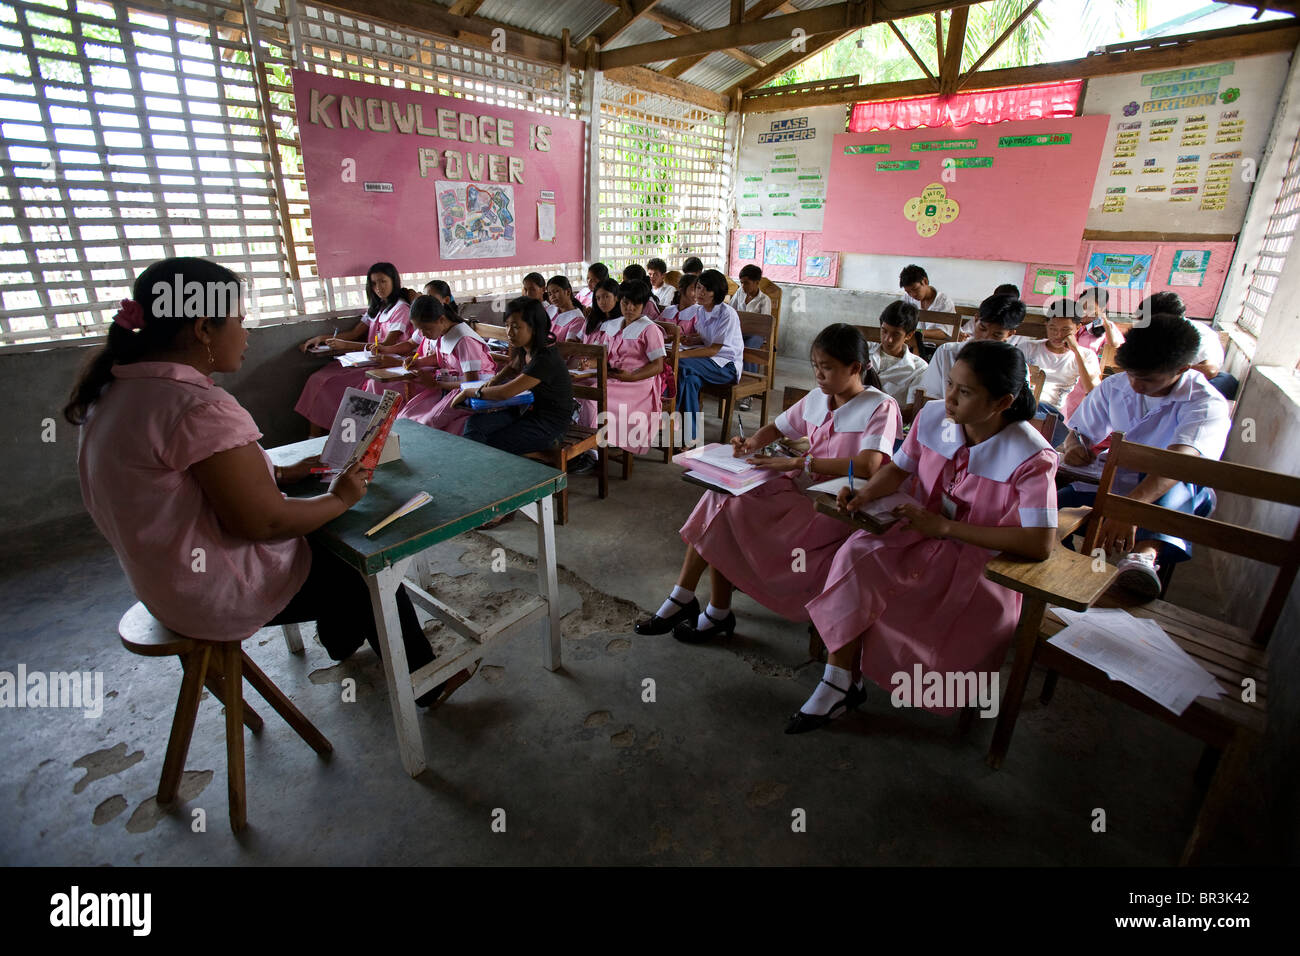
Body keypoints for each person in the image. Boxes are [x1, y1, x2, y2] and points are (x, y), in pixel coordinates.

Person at [70, 258, 469, 707]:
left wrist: (279, 472)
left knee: (327, 539)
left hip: (160, 582)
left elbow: (191, 478)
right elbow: (266, 523)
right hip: (209, 591)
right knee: (367, 565)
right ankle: (427, 681)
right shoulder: (197, 406)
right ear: (203, 328)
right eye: (240, 321)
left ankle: (342, 643)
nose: (246, 334)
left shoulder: (115, 389)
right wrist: (340, 496)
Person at [794, 340, 1057, 734]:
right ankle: (838, 679)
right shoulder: (933, 417)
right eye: (950, 384)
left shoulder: (1032, 457)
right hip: (919, 532)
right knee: (854, 556)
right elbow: (899, 470)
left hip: (981, 556)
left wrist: (947, 528)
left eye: (965, 392)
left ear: (1002, 402)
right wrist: (863, 494)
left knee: (957, 610)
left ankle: (891, 680)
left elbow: (1039, 543)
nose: (949, 398)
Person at [637, 324, 901, 641]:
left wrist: (799, 462)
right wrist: (750, 443)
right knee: (723, 493)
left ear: (855, 368)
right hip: (805, 494)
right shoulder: (819, 397)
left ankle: (704, 607)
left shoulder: (880, 406)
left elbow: (869, 465)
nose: (819, 375)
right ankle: (691, 599)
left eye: (827, 368)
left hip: (839, 509)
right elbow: (776, 429)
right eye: (815, 366)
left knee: (728, 513)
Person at [1059, 314, 1231, 598]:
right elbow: (1078, 430)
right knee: (1052, 508)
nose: (1136, 384)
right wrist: (1075, 445)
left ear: (1183, 368)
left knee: (1180, 482)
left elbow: (1179, 464)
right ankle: (1065, 569)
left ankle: (1142, 558)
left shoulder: (1205, 402)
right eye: (1131, 374)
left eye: (1148, 379)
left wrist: (1129, 510)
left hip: (1169, 492)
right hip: (1112, 482)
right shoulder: (1117, 386)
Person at [295, 262, 413, 433]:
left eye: (383, 281)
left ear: (394, 281)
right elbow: (353, 333)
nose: (378, 287)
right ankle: (314, 437)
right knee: (318, 378)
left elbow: (385, 346)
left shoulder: (401, 308)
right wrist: (322, 339)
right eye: (373, 283)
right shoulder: (378, 307)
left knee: (335, 385)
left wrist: (346, 346)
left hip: (387, 362)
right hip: (367, 360)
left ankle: (342, 435)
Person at [458, 297, 574, 455]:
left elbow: (504, 393)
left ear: (533, 327)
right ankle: (478, 470)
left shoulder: (545, 359)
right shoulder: (525, 348)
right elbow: (512, 367)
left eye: (516, 327)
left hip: (549, 426)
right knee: (474, 424)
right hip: (526, 412)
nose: (509, 332)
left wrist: (470, 392)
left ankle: (483, 473)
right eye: (506, 326)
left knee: (491, 442)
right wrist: (493, 381)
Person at [578, 279, 666, 458]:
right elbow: (609, 357)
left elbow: (658, 366)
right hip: (616, 377)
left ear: (644, 305)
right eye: (626, 303)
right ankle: (582, 440)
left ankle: (590, 452)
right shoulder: (615, 325)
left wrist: (632, 377)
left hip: (638, 384)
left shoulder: (649, 329)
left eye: (636, 304)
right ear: (620, 301)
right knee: (579, 389)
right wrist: (593, 363)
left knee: (592, 397)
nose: (630, 308)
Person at [397, 295, 493, 437]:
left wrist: (436, 384)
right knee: (406, 415)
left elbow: (472, 383)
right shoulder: (442, 332)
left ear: (441, 320)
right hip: (450, 386)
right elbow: (443, 358)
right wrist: (419, 362)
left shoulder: (464, 340)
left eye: (426, 329)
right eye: (420, 330)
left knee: (428, 422)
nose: (423, 334)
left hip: (471, 392)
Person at [916, 293, 1026, 406]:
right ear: (976, 319)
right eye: (982, 328)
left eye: (997, 334)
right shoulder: (946, 352)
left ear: (1010, 334)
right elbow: (929, 397)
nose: (986, 338)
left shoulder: (1014, 366)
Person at [675, 269, 743, 443]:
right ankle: (691, 437)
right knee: (689, 380)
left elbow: (714, 349)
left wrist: (682, 354)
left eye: (707, 289)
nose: (700, 293)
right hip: (707, 363)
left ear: (717, 292)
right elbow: (706, 337)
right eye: (698, 288)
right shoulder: (700, 311)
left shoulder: (727, 314)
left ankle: (671, 418)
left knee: (680, 365)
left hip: (725, 366)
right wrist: (691, 339)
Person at [1020, 303, 1101, 439]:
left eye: (1065, 330)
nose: (1058, 335)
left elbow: (1092, 391)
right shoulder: (1028, 348)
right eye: (1053, 328)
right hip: (1025, 406)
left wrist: (1076, 351)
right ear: (1046, 325)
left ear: (1078, 328)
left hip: (1052, 412)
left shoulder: (1086, 355)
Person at [1137, 292, 1237, 400]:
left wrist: (1162, 376)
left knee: (1225, 380)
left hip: (1188, 383)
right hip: (1164, 382)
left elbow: (1209, 370)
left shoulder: (1200, 334)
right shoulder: (1152, 333)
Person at [868, 301, 927, 424]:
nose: (888, 339)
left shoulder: (919, 368)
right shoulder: (864, 352)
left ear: (909, 335)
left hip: (888, 424)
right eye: (884, 331)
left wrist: (874, 411)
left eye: (896, 334)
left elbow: (910, 413)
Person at [729, 264, 771, 411]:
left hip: (756, 334)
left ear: (756, 282)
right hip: (739, 331)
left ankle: (748, 392)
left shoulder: (764, 300)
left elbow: (764, 324)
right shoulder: (740, 293)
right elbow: (731, 311)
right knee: (728, 342)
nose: (743, 286)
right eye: (741, 282)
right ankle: (730, 380)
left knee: (751, 347)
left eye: (746, 282)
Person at [898, 263, 957, 347]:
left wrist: (917, 332)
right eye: (908, 292)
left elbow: (944, 332)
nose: (913, 294)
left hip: (937, 347)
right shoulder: (907, 299)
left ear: (925, 281)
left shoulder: (944, 302)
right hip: (912, 344)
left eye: (915, 289)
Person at [545, 275, 586, 342]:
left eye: (556, 291)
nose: (552, 296)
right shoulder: (549, 309)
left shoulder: (577, 319)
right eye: (550, 294)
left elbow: (568, 346)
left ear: (568, 292)